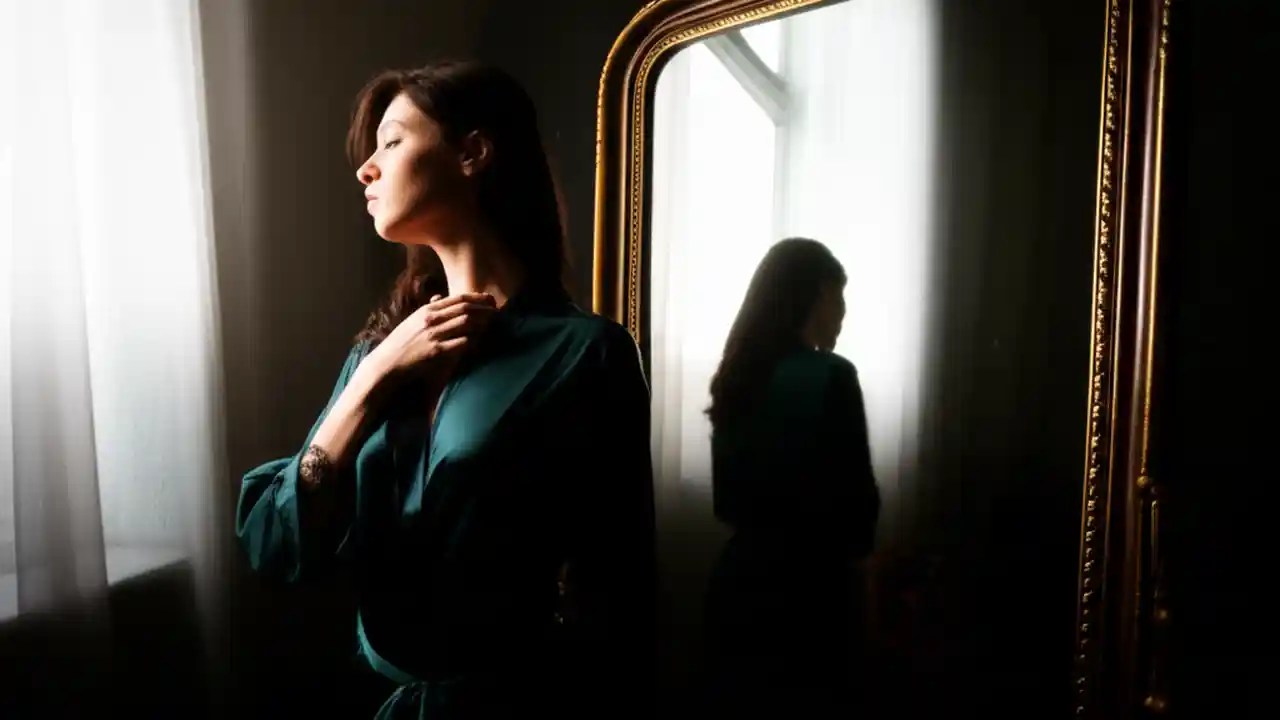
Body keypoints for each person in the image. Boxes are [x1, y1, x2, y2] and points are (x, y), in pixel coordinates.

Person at [235, 60, 655, 719]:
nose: (365, 169)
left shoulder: (587, 354)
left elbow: (618, 585)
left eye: (392, 141)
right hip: (361, 697)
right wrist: (371, 382)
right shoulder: (382, 350)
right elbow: (275, 544)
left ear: (473, 152)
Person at [700, 237, 880, 715]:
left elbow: (725, 504)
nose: (843, 314)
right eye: (841, 298)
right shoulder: (834, 376)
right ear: (820, 293)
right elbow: (859, 515)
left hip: (737, 588)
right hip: (811, 597)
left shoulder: (735, 379)